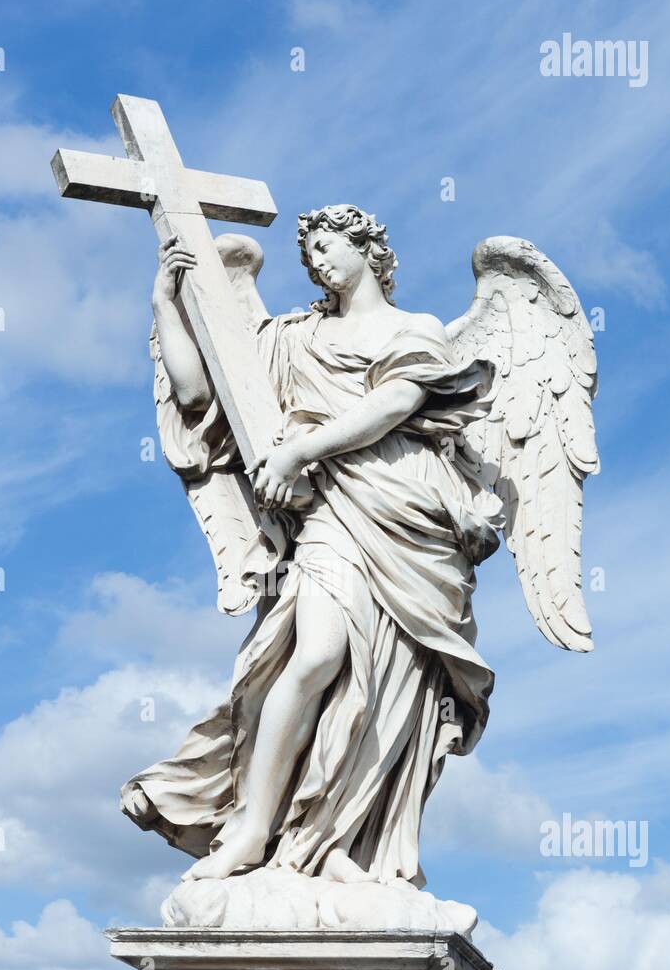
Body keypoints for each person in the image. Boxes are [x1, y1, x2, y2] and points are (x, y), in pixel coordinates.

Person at [122, 204, 501, 887]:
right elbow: (197, 390)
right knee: (320, 651)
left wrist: (300, 448)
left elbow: (394, 404)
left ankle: (341, 843)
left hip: (412, 515)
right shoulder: (292, 337)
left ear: (368, 250)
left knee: (390, 685)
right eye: (310, 255)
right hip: (332, 513)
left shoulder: (418, 331)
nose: (318, 262)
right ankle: (251, 830)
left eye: (329, 248)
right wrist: (165, 303)